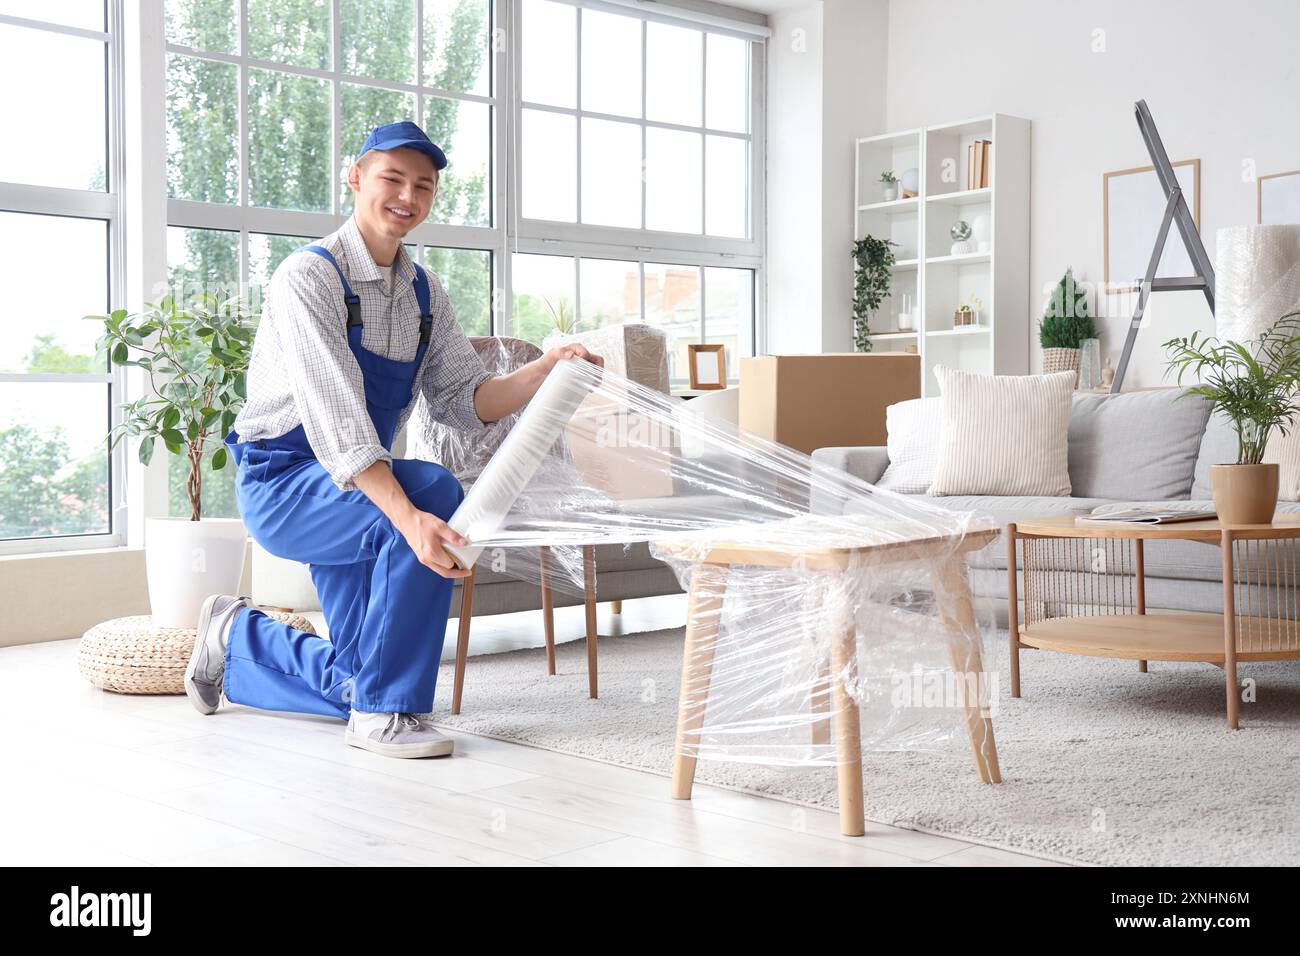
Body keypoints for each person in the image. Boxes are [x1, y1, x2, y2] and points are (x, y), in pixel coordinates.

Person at [183, 121, 602, 759]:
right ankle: (388, 713)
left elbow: (468, 403)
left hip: (355, 490)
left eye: (424, 186)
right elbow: (337, 421)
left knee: (359, 670)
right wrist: (409, 518)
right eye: (392, 179)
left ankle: (239, 639)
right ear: (355, 179)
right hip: (287, 484)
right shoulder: (307, 278)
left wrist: (546, 369)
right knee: (431, 489)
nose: (408, 195)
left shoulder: (425, 294)